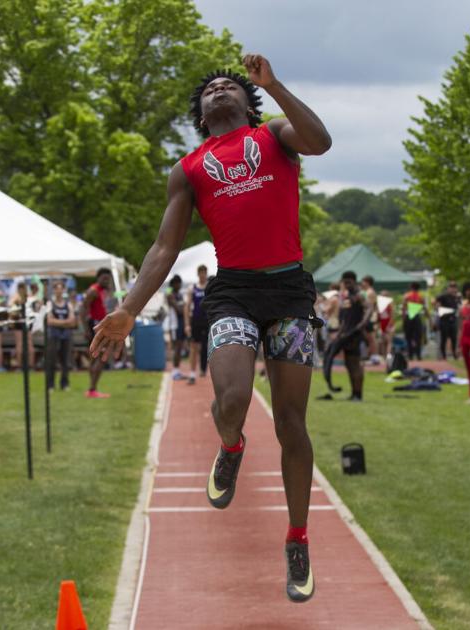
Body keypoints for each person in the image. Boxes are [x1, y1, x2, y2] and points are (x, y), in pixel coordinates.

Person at [89, 53, 330, 602]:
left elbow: (321, 142)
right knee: (233, 399)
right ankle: (231, 444)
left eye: (231, 85)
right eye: (210, 88)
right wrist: (129, 308)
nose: (220, 88)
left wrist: (276, 84)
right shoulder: (188, 168)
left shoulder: (275, 135)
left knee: (292, 422)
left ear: (249, 101)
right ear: (201, 112)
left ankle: (297, 538)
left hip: (290, 291)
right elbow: (164, 247)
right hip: (233, 292)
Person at [328, 271, 369, 401]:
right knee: (349, 364)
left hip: (354, 334)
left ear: (354, 281)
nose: (346, 284)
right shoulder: (348, 296)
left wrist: (362, 324)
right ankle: (354, 393)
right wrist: (339, 333)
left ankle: (358, 394)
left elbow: (369, 308)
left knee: (355, 364)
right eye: (344, 282)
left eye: (348, 282)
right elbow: (345, 319)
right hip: (345, 334)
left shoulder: (359, 294)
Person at [82, 268, 114, 398]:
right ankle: (92, 389)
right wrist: (86, 330)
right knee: (100, 358)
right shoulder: (93, 291)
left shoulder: (102, 290)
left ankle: (92, 389)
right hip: (95, 327)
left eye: (108, 279)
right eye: (104, 278)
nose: (107, 281)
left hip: (99, 326)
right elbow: (83, 310)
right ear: (98, 278)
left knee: (95, 359)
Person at [45, 281, 77, 391]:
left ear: (63, 290)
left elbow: (73, 322)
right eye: (57, 289)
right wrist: (65, 322)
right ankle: (50, 385)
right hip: (53, 335)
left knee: (66, 361)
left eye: (61, 289)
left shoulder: (68, 304)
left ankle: (65, 384)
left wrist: (57, 322)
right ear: (54, 290)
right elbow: (49, 321)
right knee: (52, 360)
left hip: (66, 336)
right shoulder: (50, 304)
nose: (59, 291)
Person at [184, 264, 210, 384]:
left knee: (206, 347)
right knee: (193, 347)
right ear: (198, 274)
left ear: (206, 274)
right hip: (196, 320)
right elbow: (187, 306)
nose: (203, 275)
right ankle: (192, 374)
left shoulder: (209, 287)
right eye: (201, 273)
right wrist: (187, 324)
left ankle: (204, 369)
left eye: (204, 273)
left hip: (207, 321)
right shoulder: (192, 288)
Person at [166, 274, 187, 381]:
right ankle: (174, 372)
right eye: (178, 283)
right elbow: (180, 310)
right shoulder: (170, 295)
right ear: (174, 284)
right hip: (174, 324)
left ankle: (177, 370)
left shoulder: (179, 295)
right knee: (176, 347)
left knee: (180, 347)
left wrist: (183, 308)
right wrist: (183, 307)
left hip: (181, 323)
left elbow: (183, 308)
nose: (179, 285)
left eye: (180, 283)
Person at [434, 280, 460, 360]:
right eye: (451, 287)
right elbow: (437, 306)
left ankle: (454, 354)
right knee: (444, 338)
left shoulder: (456, 297)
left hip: (453, 320)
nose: (453, 289)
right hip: (444, 320)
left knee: (454, 338)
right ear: (448, 288)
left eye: (454, 287)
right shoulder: (443, 296)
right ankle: (444, 355)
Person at [402, 281, 425, 361]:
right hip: (417, 316)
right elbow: (423, 307)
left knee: (409, 337)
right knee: (418, 337)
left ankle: (410, 355)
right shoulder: (421, 296)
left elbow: (404, 307)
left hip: (409, 316)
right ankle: (418, 355)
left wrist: (403, 319)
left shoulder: (407, 296)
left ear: (411, 287)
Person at [360, 275, 381, 365]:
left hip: (370, 318)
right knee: (369, 338)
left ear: (367, 282)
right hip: (367, 317)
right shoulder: (365, 292)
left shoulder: (370, 292)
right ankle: (372, 355)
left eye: (363, 281)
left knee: (371, 338)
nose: (361, 283)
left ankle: (375, 357)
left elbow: (370, 307)